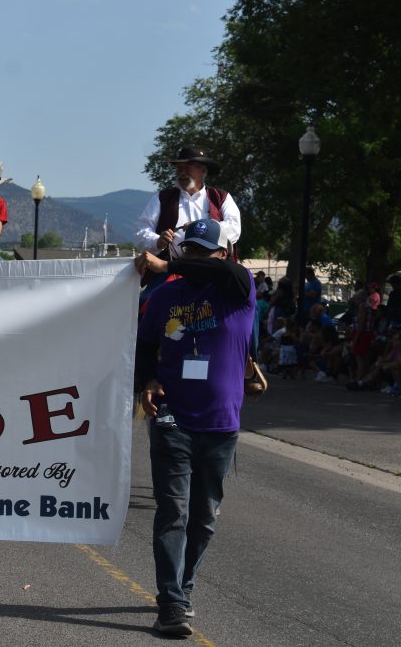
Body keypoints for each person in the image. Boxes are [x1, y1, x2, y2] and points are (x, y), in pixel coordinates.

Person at [134, 218, 255, 637]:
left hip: (221, 424)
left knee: (204, 517)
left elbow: (226, 272)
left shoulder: (239, 288)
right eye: (191, 249)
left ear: (224, 254)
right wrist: (147, 379)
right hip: (172, 419)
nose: (197, 257)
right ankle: (171, 602)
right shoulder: (165, 296)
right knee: (173, 512)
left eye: (206, 251)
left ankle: (182, 589)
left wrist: (172, 264)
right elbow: (145, 345)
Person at [134, 145, 241, 260]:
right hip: (172, 270)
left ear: (203, 170)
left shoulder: (221, 198)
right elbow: (141, 232)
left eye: (188, 168)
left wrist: (202, 227)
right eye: (179, 169)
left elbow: (234, 228)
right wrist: (157, 241)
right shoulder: (161, 198)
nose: (182, 173)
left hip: (212, 270)